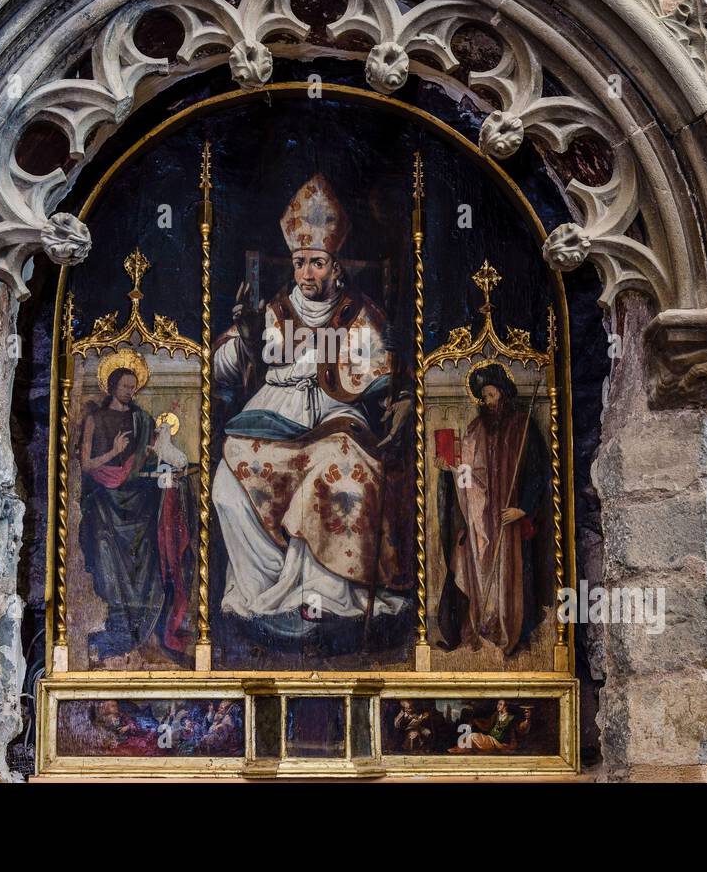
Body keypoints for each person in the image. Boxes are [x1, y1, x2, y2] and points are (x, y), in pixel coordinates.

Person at [211, 174, 414, 622]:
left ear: (335, 265)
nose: (307, 272)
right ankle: (262, 591)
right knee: (226, 489)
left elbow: (383, 374)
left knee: (342, 480)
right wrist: (245, 334)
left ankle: (321, 594)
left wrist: (395, 390)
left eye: (317, 263)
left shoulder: (359, 313)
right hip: (272, 414)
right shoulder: (272, 311)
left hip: (336, 419)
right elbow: (224, 368)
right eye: (300, 262)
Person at [78, 354, 193, 662]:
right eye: (125, 385)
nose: (130, 391)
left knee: (147, 563)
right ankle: (116, 629)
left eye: (133, 386)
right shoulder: (95, 419)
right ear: (112, 386)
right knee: (106, 561)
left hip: (139, 503)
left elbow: (150, 458)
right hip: (105, 505)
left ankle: (145, 629)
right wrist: (114, 452)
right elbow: (87, 465)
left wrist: (162, 459)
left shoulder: (142, 419)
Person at [436, 362, 549, 655]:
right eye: (483, 396)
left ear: (503, 393)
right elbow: (471, 474)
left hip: (509, 516)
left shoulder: (523, 426)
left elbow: (539, 472)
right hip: (483, 515)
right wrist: (450, 469)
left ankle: (507, 626)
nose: (487, 401)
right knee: (479, 565)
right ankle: (483, 624)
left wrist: (522, 508)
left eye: (491, 395)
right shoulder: (475, 430)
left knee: (510, 571)